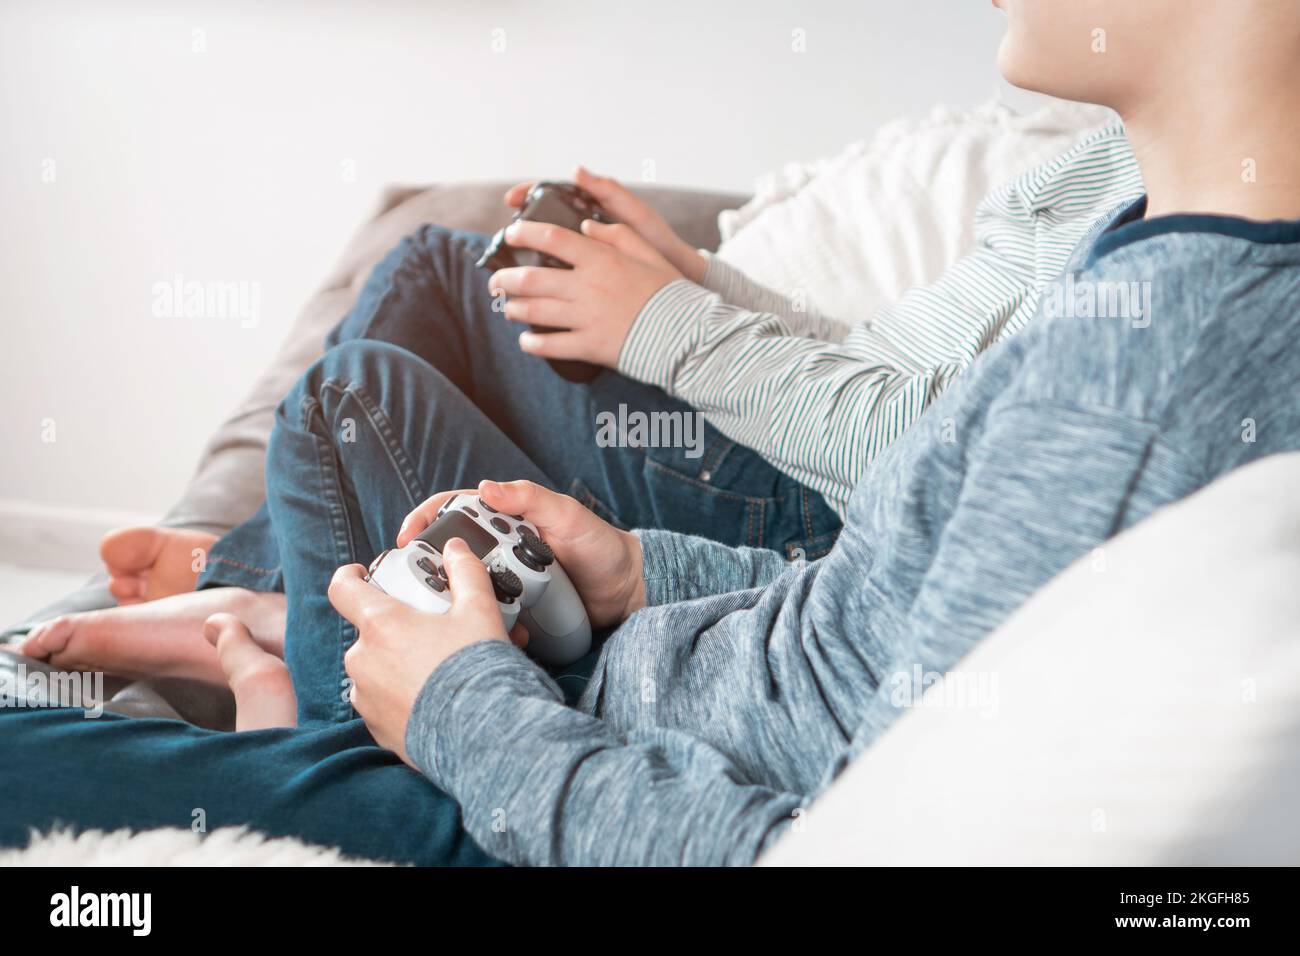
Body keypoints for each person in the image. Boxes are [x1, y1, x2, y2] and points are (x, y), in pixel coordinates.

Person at [7, 0, 1297, 866]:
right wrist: (642, 570)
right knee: (415, 309)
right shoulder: (1151, 268)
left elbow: (814, 838)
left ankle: (285, 692)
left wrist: (462, 703)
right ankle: (279, 657)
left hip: (565, 776)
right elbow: (894, 617)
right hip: (594, 696)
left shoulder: (1156, 373)